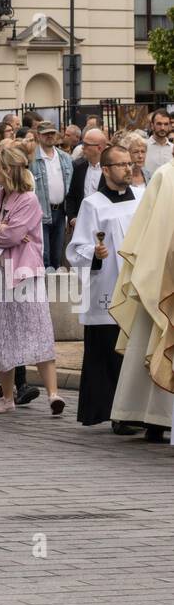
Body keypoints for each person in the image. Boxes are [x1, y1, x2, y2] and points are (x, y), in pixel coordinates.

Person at [0, 144, 64, 417]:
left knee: (37, 328)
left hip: (23, 272)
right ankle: (7, 397)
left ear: (7, 170)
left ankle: (54, 393)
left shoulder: (28, 199)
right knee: (1, 331)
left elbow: (14, 235)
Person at [66, 146, 139, 431]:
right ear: (106, 170)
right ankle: (114, 414)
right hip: (107, 285)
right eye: (120, 165)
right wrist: (95, 253)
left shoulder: (143, 198)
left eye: (129, 163)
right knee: (109, 352)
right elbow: (77, 247)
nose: (127, 169)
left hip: (136, 285)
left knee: (134, 351)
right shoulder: (93, 204)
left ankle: (135, 411)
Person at [109, 162, 174, 442]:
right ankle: (151, 416)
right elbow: (152, 228)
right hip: (162, 270)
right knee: (152, 336)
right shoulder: (165, 174)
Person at [28, 121, 72, 269]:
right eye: (46, 134)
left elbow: (70, 185)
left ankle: (54, 288)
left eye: (52, 133)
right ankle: (44, 289)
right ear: (38, 136)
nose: (50, 136)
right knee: (43, 254)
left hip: (61, 211)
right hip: (40, 212)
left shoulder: (65, 157)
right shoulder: (31, 158)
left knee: (57, 254)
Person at [65, 128, 108, 227]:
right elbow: (71, 195)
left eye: (86, 145)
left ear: (99, 148)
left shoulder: (110, 169)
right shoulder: (78, 166)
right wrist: (72, 218)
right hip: (81, 224)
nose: (82, 148)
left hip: (103, 225)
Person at [120, 132, 151, 200]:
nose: (140, 156)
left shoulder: (149, 175)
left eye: (143, 151)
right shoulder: (120, 177)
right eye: (136, 152)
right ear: (127, 154)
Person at [143, 109, 173, 177]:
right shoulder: (143, 147)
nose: (162, 128)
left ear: (169, 126)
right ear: (152, 125)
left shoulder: (173, 148)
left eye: (166, 124)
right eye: (159, 124)